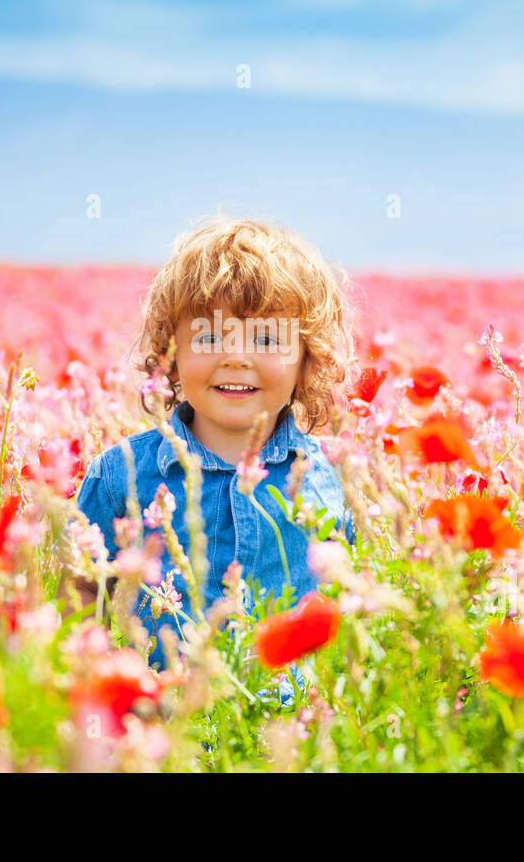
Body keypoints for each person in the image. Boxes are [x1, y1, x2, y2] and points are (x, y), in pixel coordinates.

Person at [67, 215, 357, 677]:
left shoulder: (337, 482)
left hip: (293, 736)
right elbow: (83, 604)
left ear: (307, 361)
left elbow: (355, 620)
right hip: (162, 732)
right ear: (171, 355)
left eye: (266, 338)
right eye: (209, 336)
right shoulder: (120, 475)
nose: (235, 356)